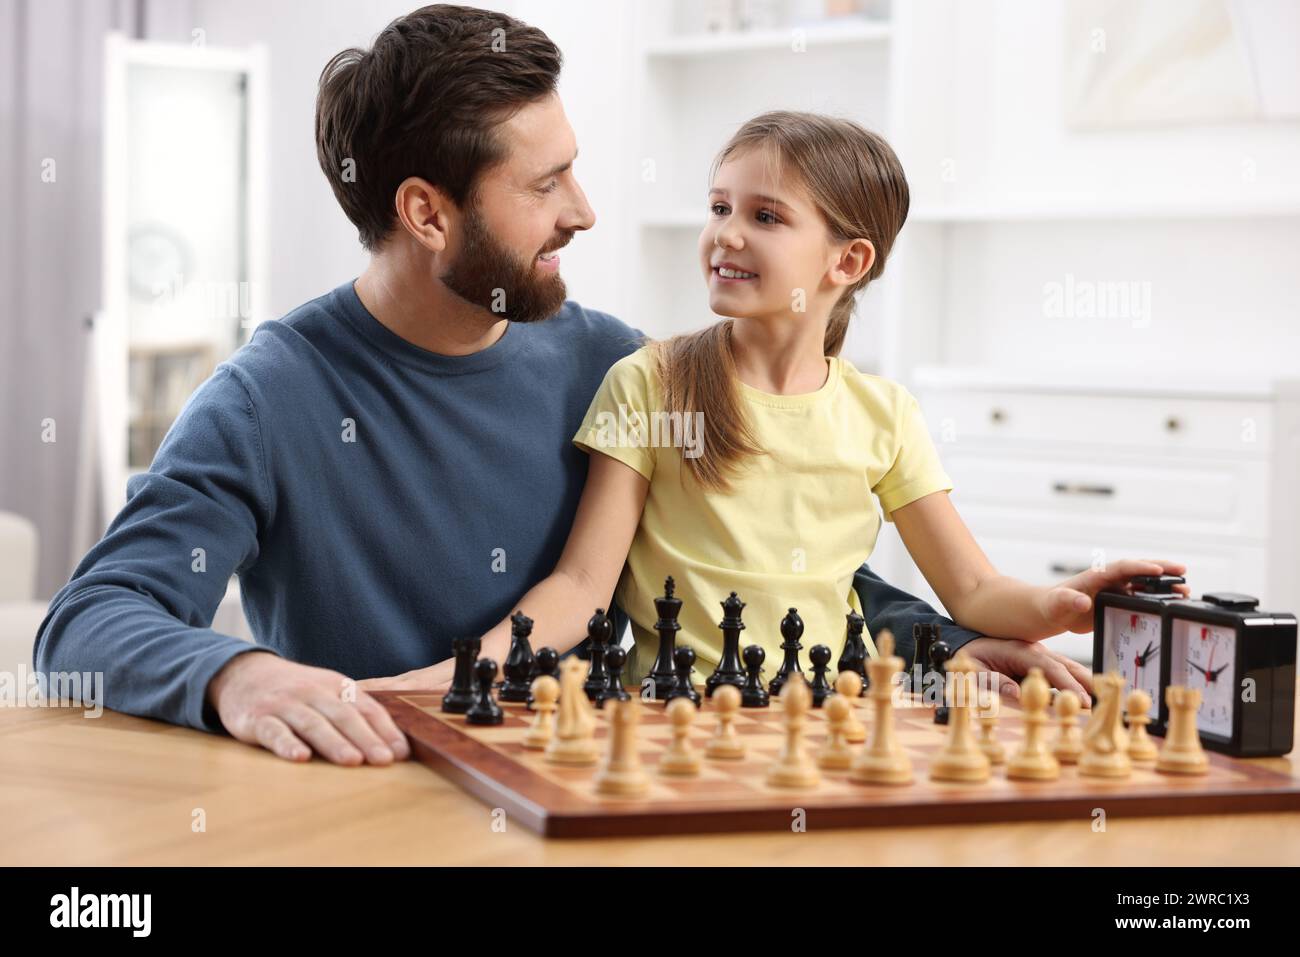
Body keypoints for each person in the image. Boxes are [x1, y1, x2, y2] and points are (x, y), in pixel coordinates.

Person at [33, 6, 1116, 768]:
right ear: (426, 213)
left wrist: (947, 644)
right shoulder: (272, 395)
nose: (587, 210)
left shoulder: (622, 364)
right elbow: (89, 620)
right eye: (545, 183)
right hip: (390, 808)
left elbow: (766, 571)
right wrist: (240, 677)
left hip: (608, 791)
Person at [383, 109, 1186, 691]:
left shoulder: (885, 416)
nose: (726, 233)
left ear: (847, 261)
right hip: (669, 720)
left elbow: (971, 591)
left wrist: (1064, 600)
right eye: (720, 206)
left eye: (765, 216)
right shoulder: (649, 382)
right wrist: (444, 676)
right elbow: (582, 588)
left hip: (823, 720)